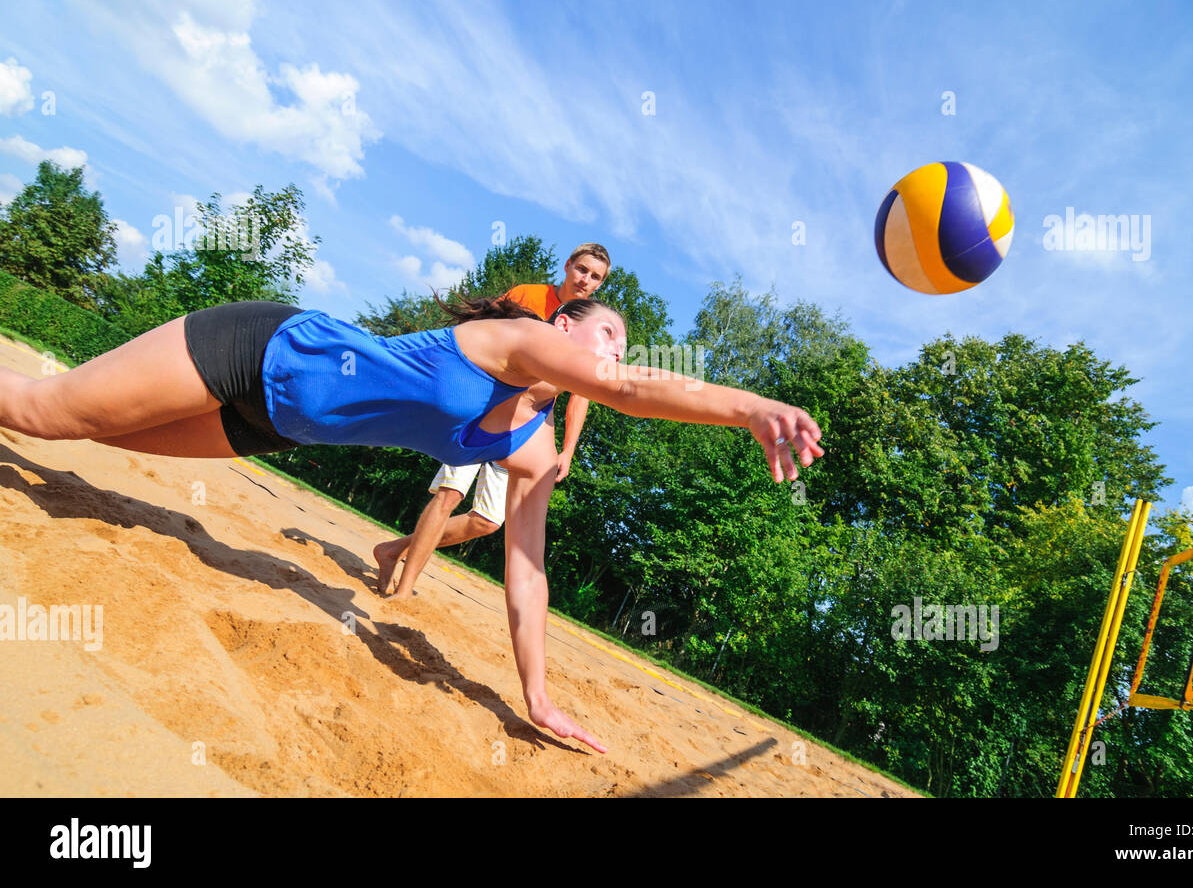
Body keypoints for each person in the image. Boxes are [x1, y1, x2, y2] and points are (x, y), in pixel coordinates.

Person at [0, 296, 823, 753]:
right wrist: (750, 407)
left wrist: (536, 695)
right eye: (604, 333)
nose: (608, 353)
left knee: (91, 429)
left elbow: (527, 572)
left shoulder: (531, 453)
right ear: (563, 326)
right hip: (262, 347)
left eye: (619, 343)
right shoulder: (516, 338)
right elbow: (632, 389)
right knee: (42, 411)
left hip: (273, 425)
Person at [374, 243, 609, 598]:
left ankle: (392, 550)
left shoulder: (589, 327)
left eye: (595, 277)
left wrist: (568, 449)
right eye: (582, 269)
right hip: (483, 405)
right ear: (567, 266)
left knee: (486, 521)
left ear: (600, 284)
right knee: (449, 495)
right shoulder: (528, 295)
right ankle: (404, 591)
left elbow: (582, 391)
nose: (585, 280)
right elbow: (478, 332)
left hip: (523, 427)